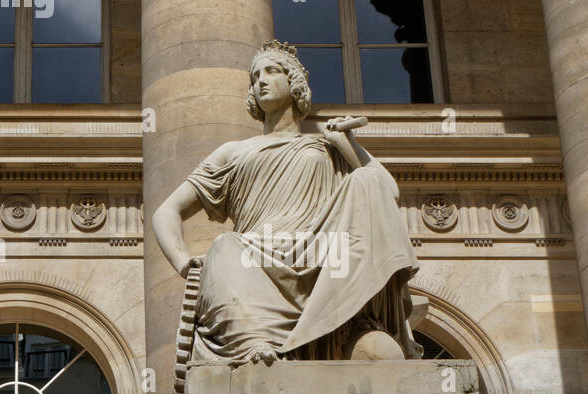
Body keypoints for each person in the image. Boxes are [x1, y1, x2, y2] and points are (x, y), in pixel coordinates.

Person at [152, 39, 421, 366]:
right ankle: (251, 343)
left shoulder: (326, 148)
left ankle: (342, 318)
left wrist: (346, 145)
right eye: (255, 76)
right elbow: (167, 211)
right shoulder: (233, 152)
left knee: (364, 179)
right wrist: (184, 262)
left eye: (271, 71)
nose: (260, 80)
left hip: (320, 259)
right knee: (223, 247)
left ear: (293, 81)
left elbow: (386, 189)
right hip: (253, 259)